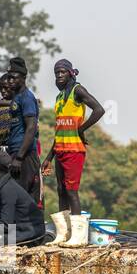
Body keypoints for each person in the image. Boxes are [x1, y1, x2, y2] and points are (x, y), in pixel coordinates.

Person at [41, 58, 105, 246]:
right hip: (60, 149)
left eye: (62, 72)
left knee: (71, 191)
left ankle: (78, 237)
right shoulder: (59, 97)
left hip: (74, 150)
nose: (59, 75)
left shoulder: (78, 90)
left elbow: (99, 110)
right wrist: (48, 157)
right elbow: (60, 130)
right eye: (56, 73)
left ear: (70, 73)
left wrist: (82, 129)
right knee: (61, 190)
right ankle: (63, 234)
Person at [5, 56, 43, 206]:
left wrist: (19, 158)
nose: (10, 81)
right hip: (15, 153)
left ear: (23, 78)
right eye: (9, 77)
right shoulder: (17, 97)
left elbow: (31, 127)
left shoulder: (27, 98)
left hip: (25, 156)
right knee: (15, 198)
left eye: (14, 77)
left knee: (24, 199)